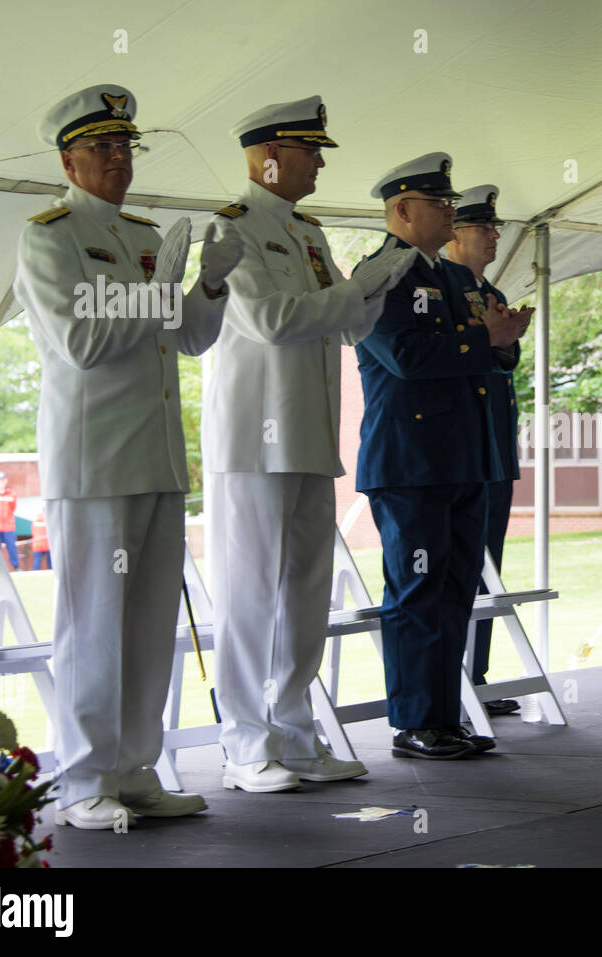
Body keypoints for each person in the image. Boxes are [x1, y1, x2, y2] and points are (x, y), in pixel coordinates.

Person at [14, 84, 243, 828]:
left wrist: (208, 282)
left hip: (156, 456)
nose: (119, 159)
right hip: (95, 462)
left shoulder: (144, 233)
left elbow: (191, 338)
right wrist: (153, 289)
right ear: (67, 159)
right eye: (103, 147)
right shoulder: (49, 237)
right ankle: (84, 781)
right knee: (93, 625)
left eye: (125, 146)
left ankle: (137, 768)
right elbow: (81, 343)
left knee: (148, 623)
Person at [204, 97, 416, 793]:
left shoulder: (308, 233)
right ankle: (244, 745)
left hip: (307, 436)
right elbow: (269, 320)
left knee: (303, 594)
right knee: (249, 596)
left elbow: (348, 325)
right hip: (254, 440)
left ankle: (294, 733)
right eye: (309, 150)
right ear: (270, 156)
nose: (321, 161)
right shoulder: (229, 229)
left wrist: (376, 286)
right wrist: (357, 288)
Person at [354, 153, 529, 759]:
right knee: (416, 589)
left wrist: (500, 341)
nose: (451, 214)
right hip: (411, 462)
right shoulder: (379, 272)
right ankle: (415, 721)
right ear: (402, 211)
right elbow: (408, 357)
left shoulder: (456, 279)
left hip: (463, 457)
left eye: (452, 204)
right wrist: (486, 339)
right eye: (439, 204)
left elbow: (484, 358)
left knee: (455, 588)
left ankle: (446, 713)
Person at [443, 185, 532, 715]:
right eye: (485, 226)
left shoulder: (487, 288)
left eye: (495, 226)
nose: (495, 235)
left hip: (494, 449)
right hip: (463, 449)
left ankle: (476, 677)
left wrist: (507, 336)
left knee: (489, 566)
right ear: (455, 233)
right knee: (456, 566)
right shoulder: (444, 286)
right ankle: (451, 684)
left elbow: (503, 361)